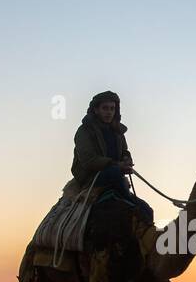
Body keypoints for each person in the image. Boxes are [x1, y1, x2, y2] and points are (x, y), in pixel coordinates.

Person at [65, 91, 154, 226]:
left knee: (147, 210)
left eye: (112, 108)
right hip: (92, 177)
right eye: (105, 108)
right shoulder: (84, 132)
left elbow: (124, 151)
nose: (109, 112)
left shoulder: (117, 132)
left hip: (115, 176)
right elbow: (88, 160)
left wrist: (126, 159)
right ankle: (129, 200)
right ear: (96, 110)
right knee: (115, 174)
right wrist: (117, 165)